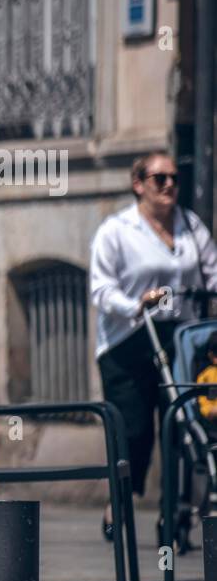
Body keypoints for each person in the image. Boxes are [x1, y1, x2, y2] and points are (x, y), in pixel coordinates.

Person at [90, 151, 217, 540]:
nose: (168, 186)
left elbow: (210, 271)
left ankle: (174, 513)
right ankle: (120, 502)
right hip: (129, 341)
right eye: (159, 178)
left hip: (178, 338)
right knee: (135, 430)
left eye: (174, 178)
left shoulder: (191, 226)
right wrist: (135, 304)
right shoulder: (117, 231)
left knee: (181, 425)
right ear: (138, 183)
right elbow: (101, 289)